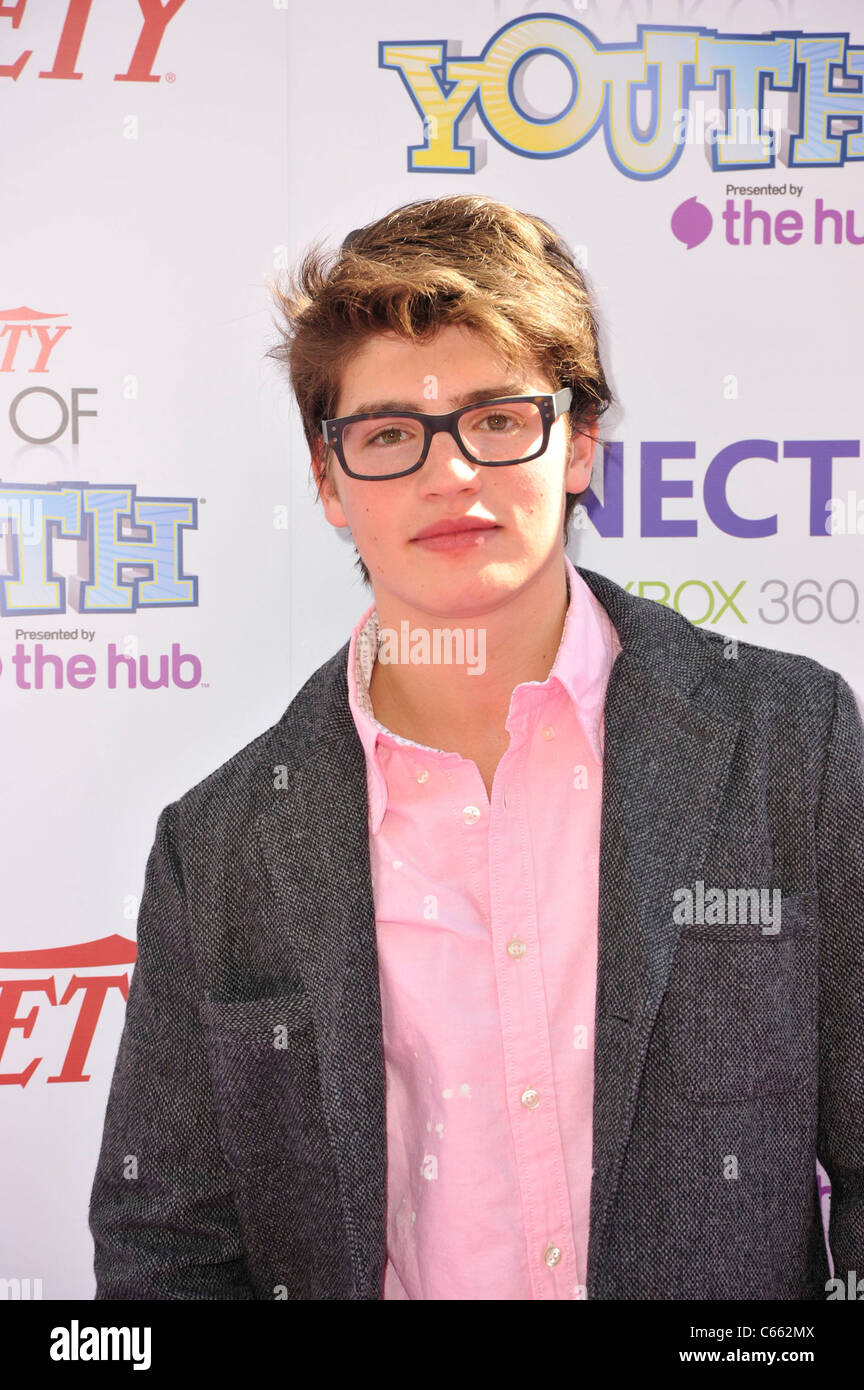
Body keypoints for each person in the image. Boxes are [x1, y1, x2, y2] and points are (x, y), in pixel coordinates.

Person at [89, 194, 864, 1300]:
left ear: (580, 442)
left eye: (498, 418)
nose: (450, 473)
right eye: (393, 432)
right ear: (329, 481)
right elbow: (165, 1242)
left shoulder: (792, 743)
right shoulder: (219, 847)